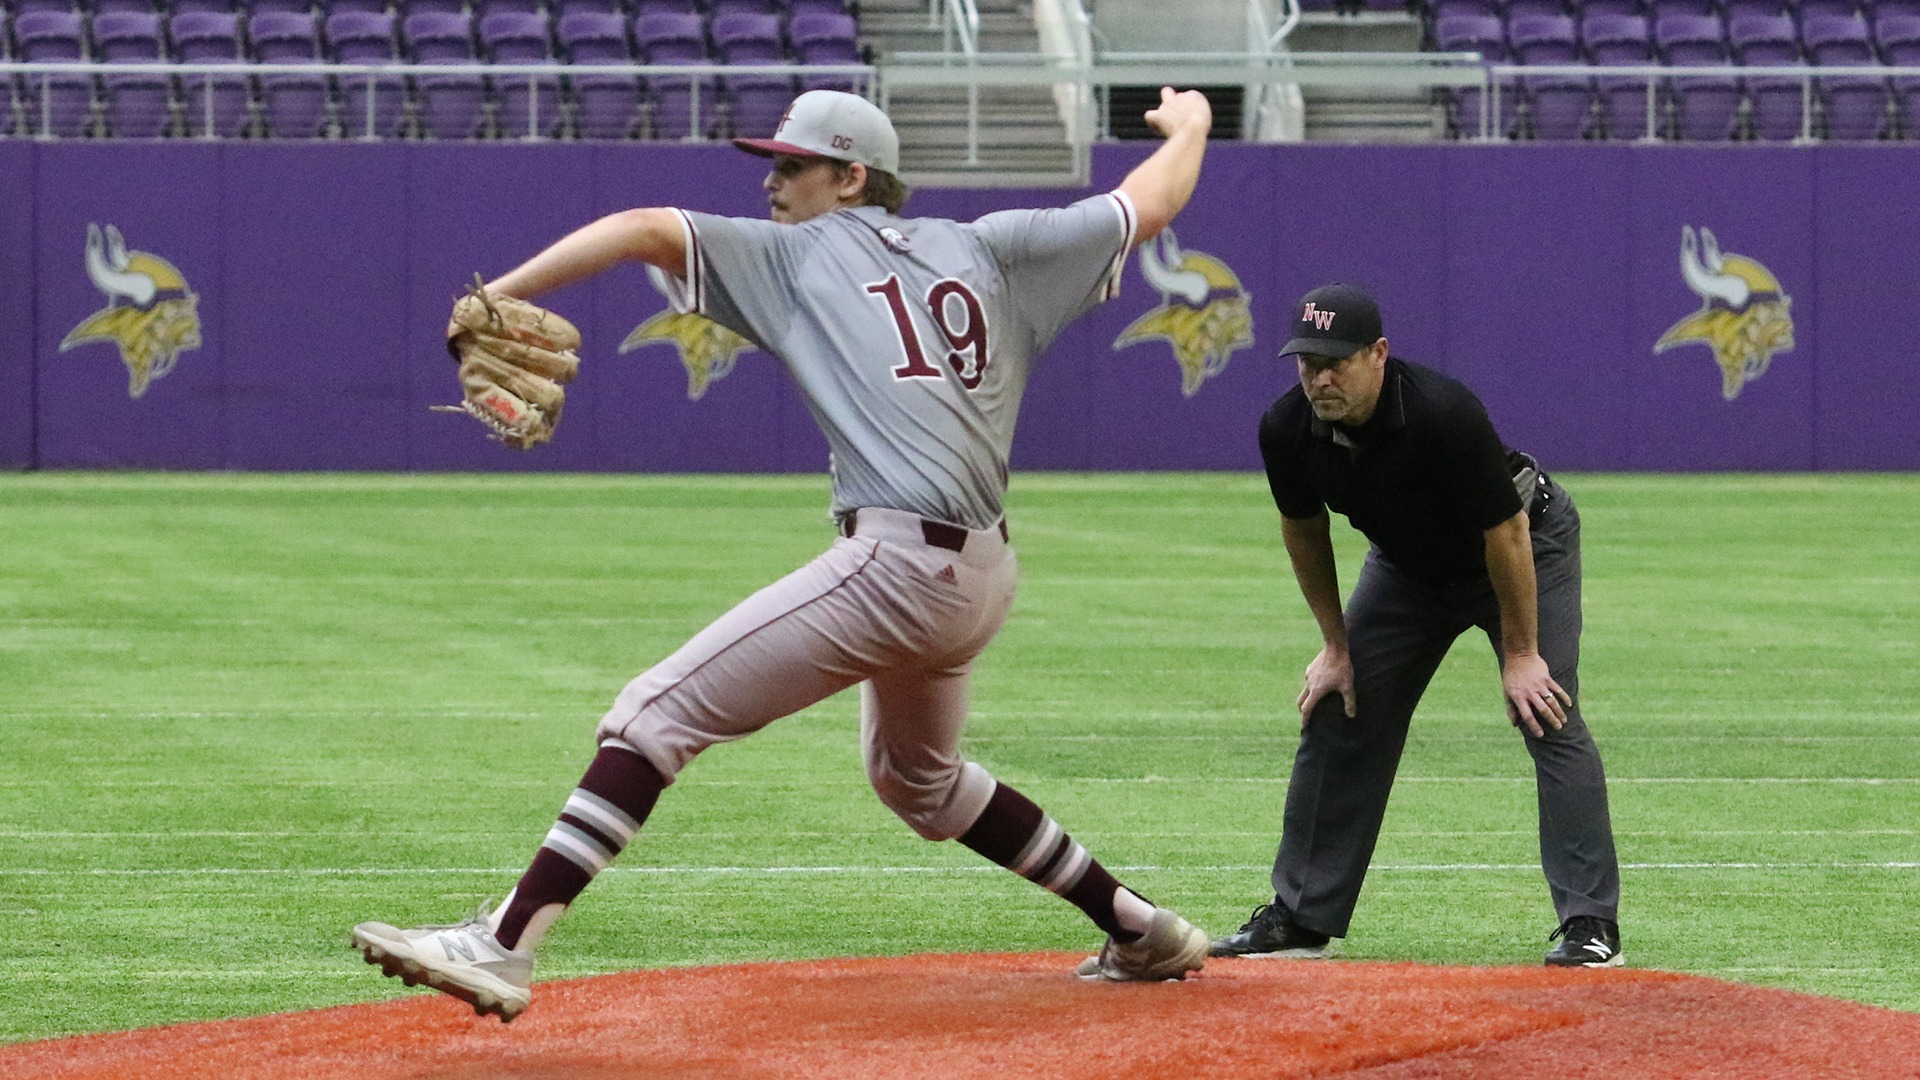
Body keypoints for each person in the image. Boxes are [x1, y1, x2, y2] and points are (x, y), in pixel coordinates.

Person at [350, 87, 1217, 1021]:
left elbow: (645, 226)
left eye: (793, 164)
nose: (772, 181)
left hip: (896, 564)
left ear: (852, 178)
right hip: (980, 572)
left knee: (652, 715)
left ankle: (503, 946)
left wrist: (504, 293)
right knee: (919, 782)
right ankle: (1140, 928)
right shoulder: (992, 247)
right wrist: (1194, 123)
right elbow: (1151, 201)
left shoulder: (801, 251)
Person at [1210, 283, 1624, 968]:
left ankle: (1590, 924)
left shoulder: (1442, 414)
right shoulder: (1287, 427)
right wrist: (1336, 647)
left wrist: (1521, 653)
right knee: (1338, 705)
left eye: (1336, 361)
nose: (1320, 377)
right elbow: (1303, 530)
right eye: (1307, 362)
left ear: (1378, 353)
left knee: (1545, 709)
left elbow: (1507, 532)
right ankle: (1302, 916)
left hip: (1522, 548)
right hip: (1408, 569)